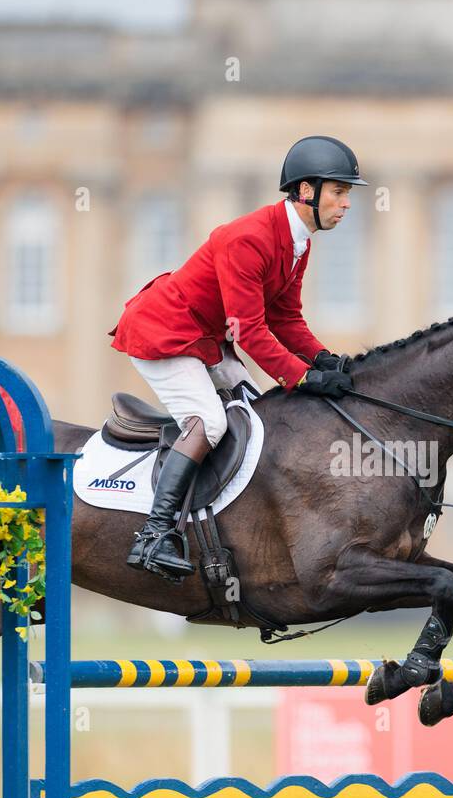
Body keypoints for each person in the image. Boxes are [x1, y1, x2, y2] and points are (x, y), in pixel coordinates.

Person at [108, 135, 367, 581]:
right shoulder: (247, 238)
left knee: (254, 414)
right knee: (210, 423)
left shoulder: (298, 242)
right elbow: (247, 330)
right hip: (164, 334)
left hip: (205, 340)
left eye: (347, 194)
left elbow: (285, 318)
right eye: (339, 192)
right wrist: (301, 378)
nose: (346, 204)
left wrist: (322, 359)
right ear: (307, 191)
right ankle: (154, 534)